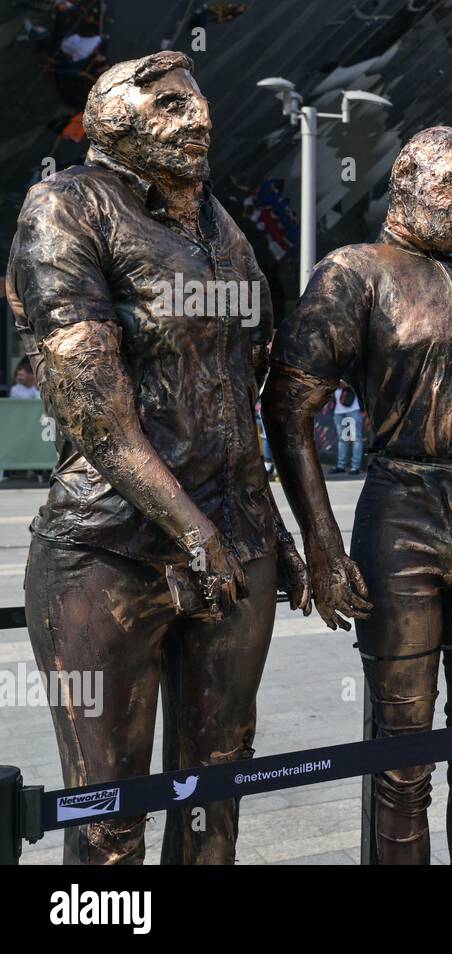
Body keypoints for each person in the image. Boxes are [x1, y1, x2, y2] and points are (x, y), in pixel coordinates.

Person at [6, 51, 309, 864]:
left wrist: (267, 525)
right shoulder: (66, 207)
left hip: (232, 546)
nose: (199, 117)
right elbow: (93, 411)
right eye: (172, 106)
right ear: (115, 123)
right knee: (108, 821)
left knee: (217, 803)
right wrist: (194, 530)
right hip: (109, 550)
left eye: (199, 102)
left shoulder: (221, 225)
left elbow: (236, 396)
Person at [265, 126, 452, 865]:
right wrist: (324, 546)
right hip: (402, 510)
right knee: (402, 757)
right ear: (405, 184)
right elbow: (287, 405)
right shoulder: (356, 272)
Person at [330, 381, 363, 475]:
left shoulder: (350, 368)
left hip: (353, 409)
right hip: (338, 410)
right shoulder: (334, 369)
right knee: (342, 439)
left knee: (356, 438)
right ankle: (341, 466)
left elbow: (354, 383)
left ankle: (355, 467)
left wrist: (339, 383)